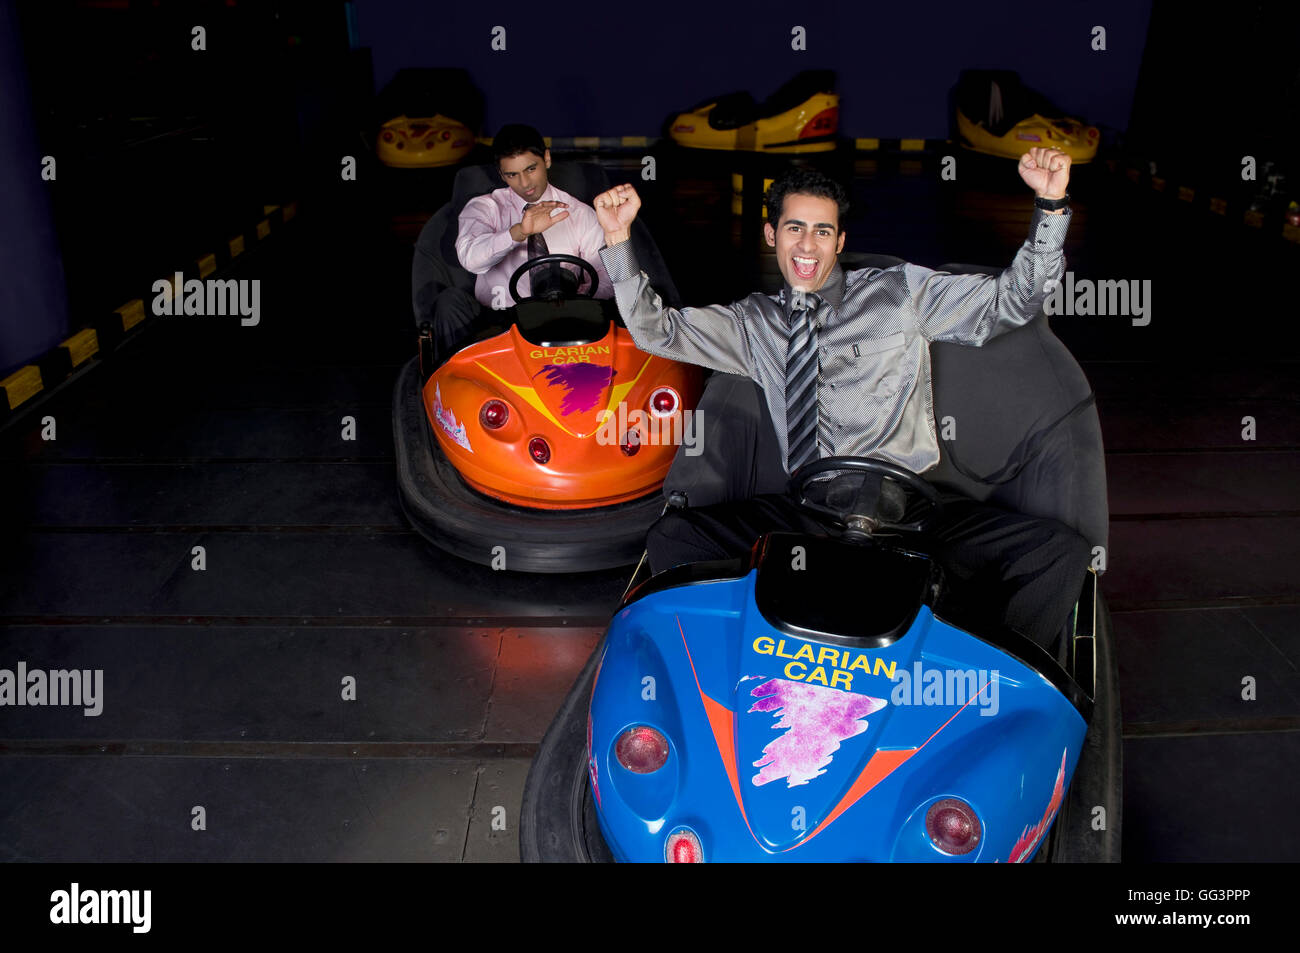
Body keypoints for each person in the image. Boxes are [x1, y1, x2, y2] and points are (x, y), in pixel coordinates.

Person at [591, 152, 1091, 654]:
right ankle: (729, 667)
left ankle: (982, 679)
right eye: (794, 228)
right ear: (772, 235)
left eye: (822, 231)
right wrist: (617, 240)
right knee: (673, 538)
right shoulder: (753, 324)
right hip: (809, 513)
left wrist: (1050, 205)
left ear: (840, 241)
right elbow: (659, 332)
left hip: (905, 513)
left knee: (1057, 554)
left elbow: (1016, 299)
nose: (807, 245)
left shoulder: (901, 295)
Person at [429, 124, 613, 362]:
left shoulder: (580, 214)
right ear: (500, 173)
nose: (525, 184)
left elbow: (607, 281)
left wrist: (572, 299)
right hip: (498, 323)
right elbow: (471, 260)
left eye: (531, 169)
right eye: (512, 175)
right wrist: (518, 232)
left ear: (546, 159)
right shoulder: (484, 208)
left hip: (565, 320)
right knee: (448, 302)